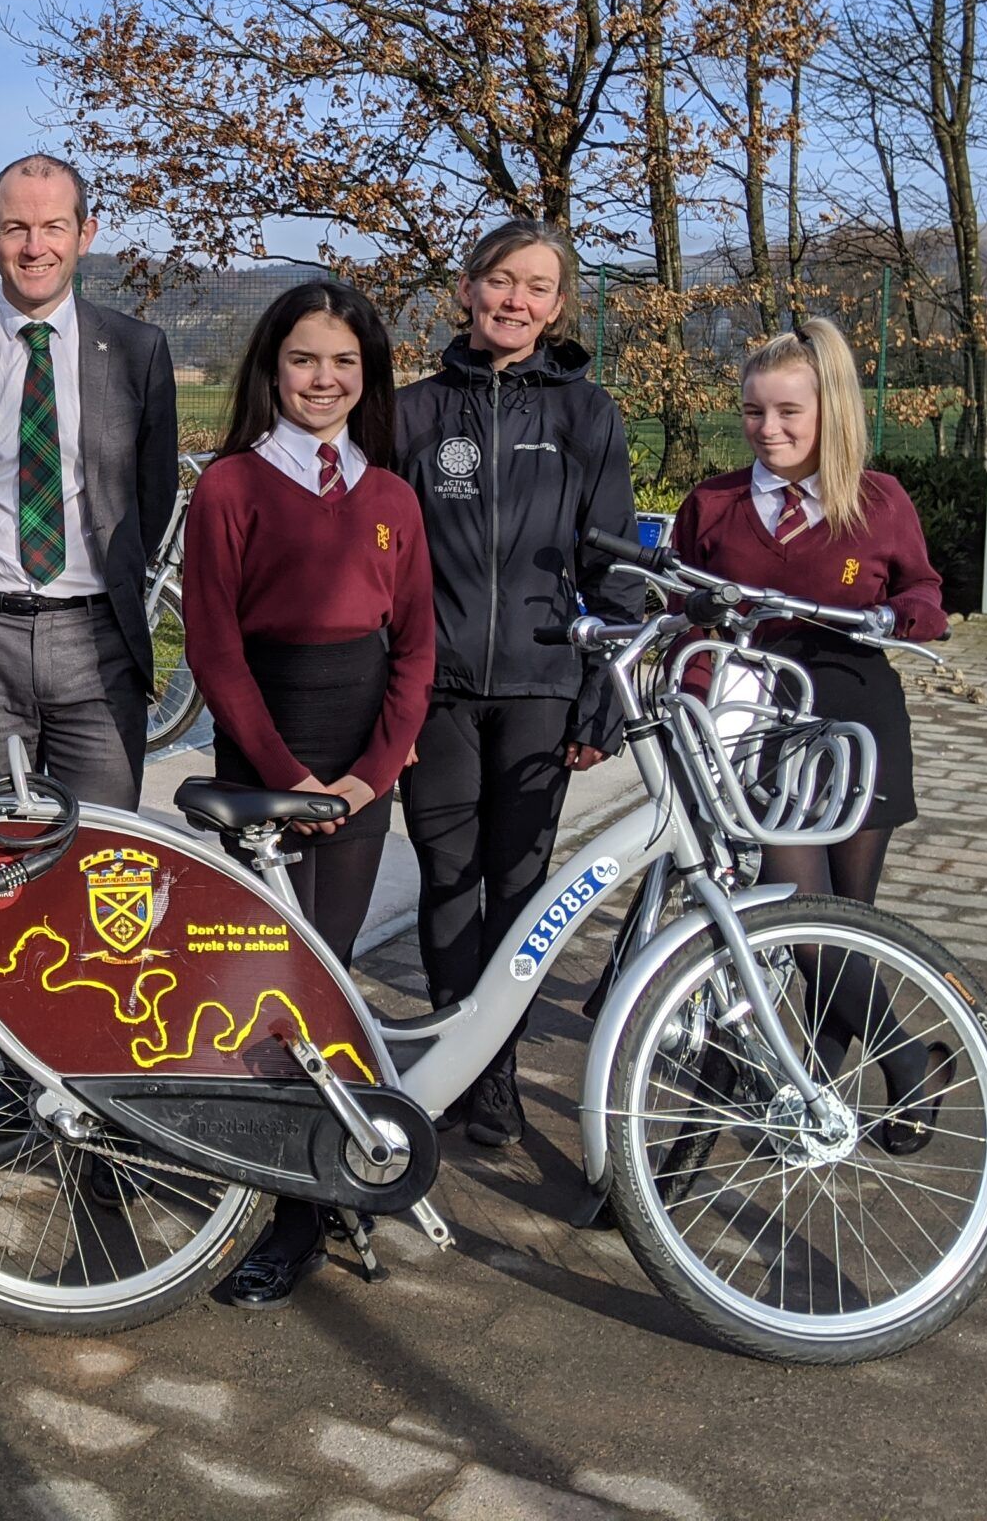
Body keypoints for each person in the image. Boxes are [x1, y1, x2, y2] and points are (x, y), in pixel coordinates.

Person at [179, 279, 436, 1307]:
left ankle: (322, 1196)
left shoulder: (392, 499)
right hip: (266, 762)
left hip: (358, 769)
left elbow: (415, 650)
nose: (322, 380)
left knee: (330, 982)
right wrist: (289, 780)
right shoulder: (230, 488)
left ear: (367, 376)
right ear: (270, 369)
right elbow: (213, 649)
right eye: (302, 360)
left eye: (343, 362)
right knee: (269, 987)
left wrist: (369, 776)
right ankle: (281, 1206)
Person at [669, 318, 953, 1148]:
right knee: (801, 917)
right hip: (762, 720)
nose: (769, 429)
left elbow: (925, 592)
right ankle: (908, 1061)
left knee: (846, 924)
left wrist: (903, 615)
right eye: (754, 411)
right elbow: (682, 611)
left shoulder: (879, 500)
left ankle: (813, 1092)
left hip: (858, 717)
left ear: (830, 411)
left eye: (789, 412)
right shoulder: (713, 504)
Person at [393, 217, 638, 1147]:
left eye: (537, 287)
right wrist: (390, 699)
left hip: (543, 686)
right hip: (438, 691)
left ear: (558, 305)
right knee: (448, 880)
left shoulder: (587, 414)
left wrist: (600, 693)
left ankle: (494, 1075)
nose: (515, 300)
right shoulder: (412, 415)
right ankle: (452, 1064)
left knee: (519, 887)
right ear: (467, 289)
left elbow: (612, 567)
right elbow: (383, 565)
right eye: (500, 280)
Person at [0, 153, 178, 810]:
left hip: (99, 639)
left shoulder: (138, 351)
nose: (34, 246)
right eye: (16, 227)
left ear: (85, 234)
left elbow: (153, 494)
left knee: (103, 847)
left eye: (54, 227)